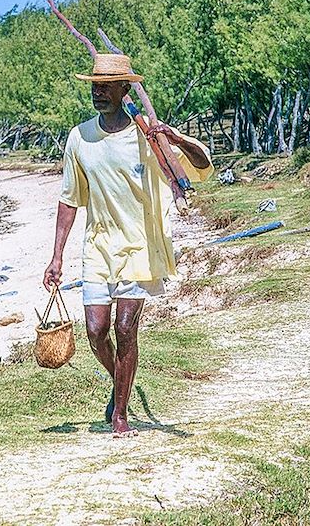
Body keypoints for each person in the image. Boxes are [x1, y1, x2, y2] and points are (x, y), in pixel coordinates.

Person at [42, 53, 213, 438]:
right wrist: (56, 256)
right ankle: (122, 385)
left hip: (139, 245)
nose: (98, 93)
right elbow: (70, 198)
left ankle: (120, 414)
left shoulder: (146, 137)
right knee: (95, 331)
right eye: (94, 86)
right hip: (98, 246)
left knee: (125, 329)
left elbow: (201, 165)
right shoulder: (79, 137)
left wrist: (174, 138)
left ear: (125, 89)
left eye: (106, 86)